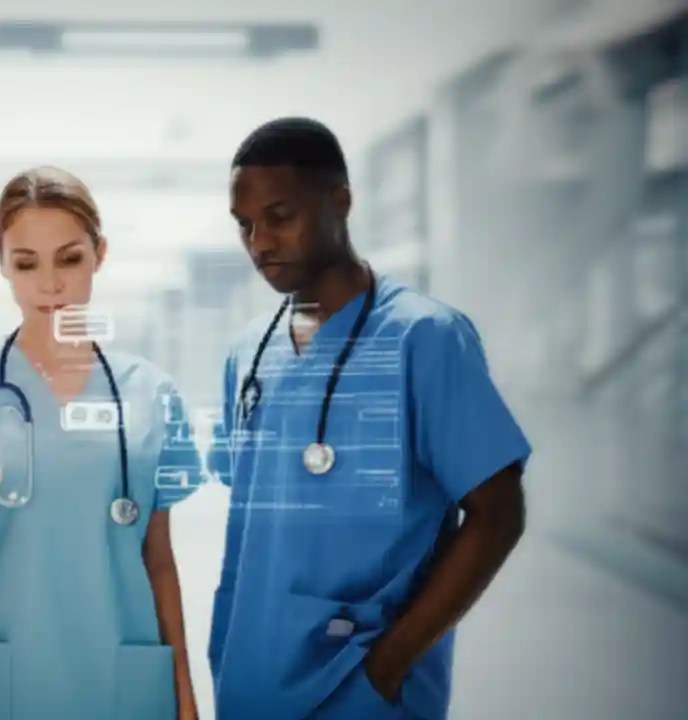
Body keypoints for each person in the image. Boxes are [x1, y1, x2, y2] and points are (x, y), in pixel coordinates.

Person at [206, 117, 530, 719]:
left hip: (361, 686)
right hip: (249, 676)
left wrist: (388, 665)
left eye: (280, 217)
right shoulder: (249, 351)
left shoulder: (425, 337)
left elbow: (498, 511)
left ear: (341, 202)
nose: (260, 243)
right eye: (244, 225)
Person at [0, 167, 199, 719]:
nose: (49, 283)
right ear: (2, 264)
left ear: (99, 254)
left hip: (120, 672)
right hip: (3, 677)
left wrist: (184, 694)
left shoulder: (153, 394)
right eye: (25, 263)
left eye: (69, 258)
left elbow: (159, 561)